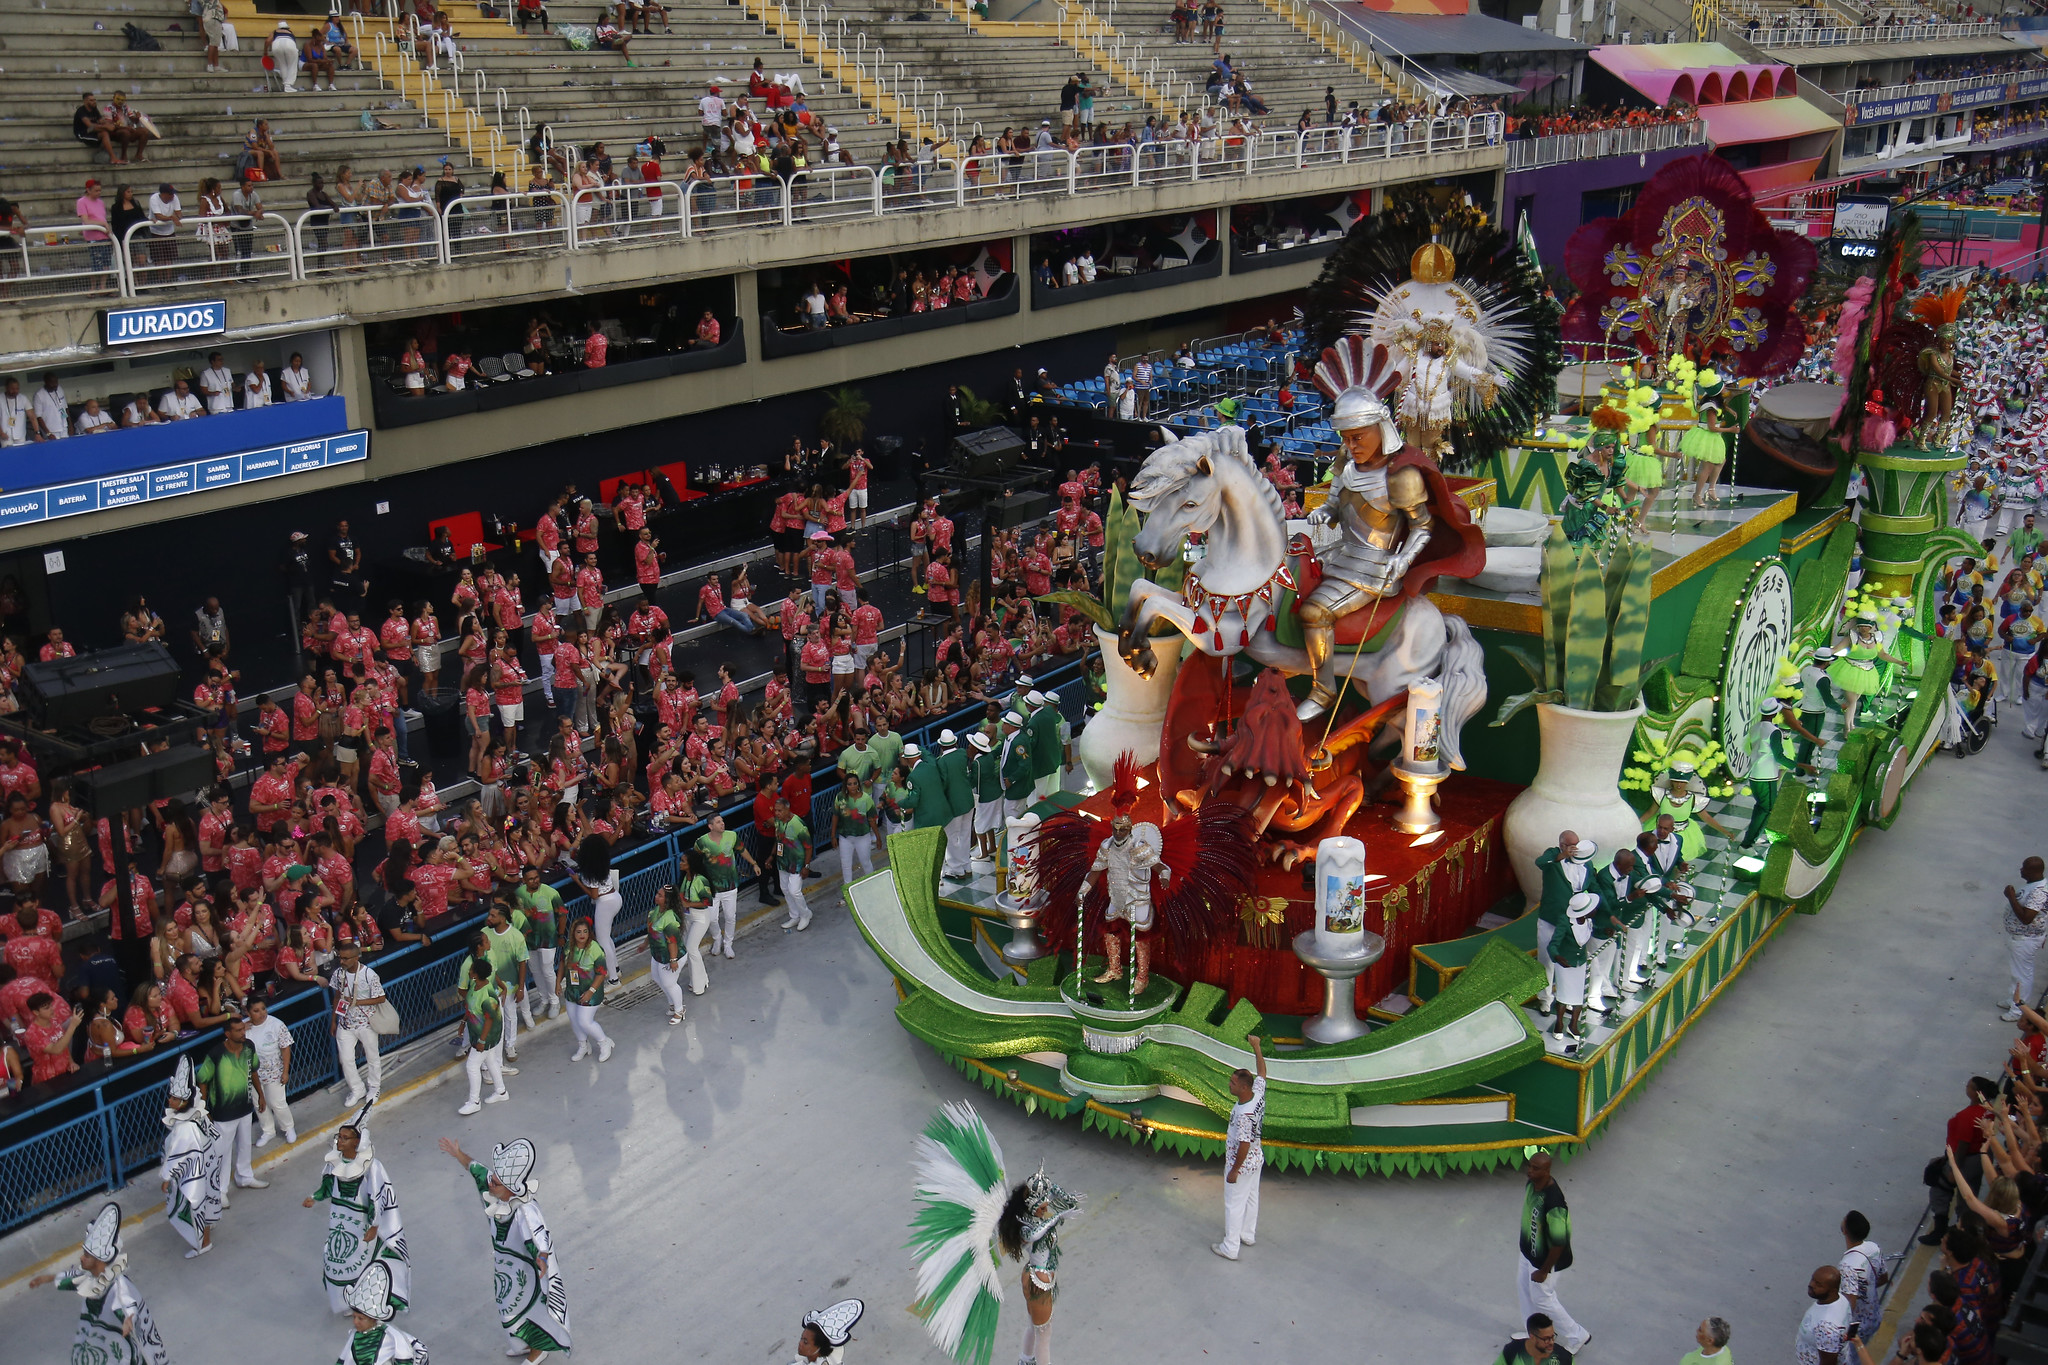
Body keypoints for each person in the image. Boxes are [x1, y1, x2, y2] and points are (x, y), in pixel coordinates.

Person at [438, 1136, 571, 1362]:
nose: (491, 1183)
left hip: (527, 1271)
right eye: (493, 1180)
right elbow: (477, 1170)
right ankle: (523, 1342)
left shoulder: (525, 1211)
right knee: (507, 1305)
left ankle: (539, 1349)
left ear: (511, 1188)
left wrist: (542, 1258)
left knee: (529, 1308)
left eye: (496, 1183)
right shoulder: (497, 1193)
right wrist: (458, 1153)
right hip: (505, 1266)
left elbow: (538, 1235)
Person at [27, 1203, 172, 1365]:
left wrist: (128, 1319)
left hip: (118, 1345)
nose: (82, 1258)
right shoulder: (88, 1277)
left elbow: (126, 1302)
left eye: (87, 1256)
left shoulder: (118, 1284)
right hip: (100, 1342)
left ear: (99, 1261)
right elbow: (70, 1279)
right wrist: (45, 1279)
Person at [303, 1111, 411, 1315]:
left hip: (361, 1223)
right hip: (339, 1219)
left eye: (345, 1138)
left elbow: (377, 1197)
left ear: (357, 1142)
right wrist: (314, 1197)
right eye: (339, 1137)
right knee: (337, 1260)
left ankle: (366, 1299)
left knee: (364, 1261)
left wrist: (374, 1225)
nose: (339, 1142)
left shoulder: (372, 1167)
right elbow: (327, 1186)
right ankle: (344, 1303)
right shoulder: (333, 1163)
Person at [998, 1166, 1081, 1365]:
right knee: (1044, 1333)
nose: (1046, 1210)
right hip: (1038, 1279)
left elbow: (1072, 1203)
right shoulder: (1027, 1227)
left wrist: (1052, 1188)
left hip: (1038, 1276)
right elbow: (1037, 1233)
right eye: (1042, 1207)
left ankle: (1025, 1360)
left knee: (1034, 1327)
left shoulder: (1033, 1217)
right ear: (1031, 1206)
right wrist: (1056, 1218)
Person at [1515, 1152, 1588, 1354]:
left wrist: (1544, 1270)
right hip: (1529, 1252)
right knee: (1523, 1290)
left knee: (1543, 1299)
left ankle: (1577, 1335)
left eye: (1535, 1168)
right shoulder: (1531, 1184)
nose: (1529, 1171)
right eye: (1529, 1166)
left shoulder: (1555, 1202)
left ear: (1547, 1171)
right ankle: (1532, 1333)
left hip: (1546, 1261)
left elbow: (1559, 1242)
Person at [160, 1056, 229, 1258]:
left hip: (195, 1172)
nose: (170, 1100)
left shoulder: (185, 1127)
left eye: (174, 1098)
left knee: (196, 1205)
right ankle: (207, 1231)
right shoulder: (198, 1114)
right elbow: (216, 1137)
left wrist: (167, 1178)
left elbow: (177, 1156)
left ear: (183, 1101)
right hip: (207, 1165)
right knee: (207, 1200)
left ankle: (203, 1243)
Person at [1212, 1034, 1265, 1260]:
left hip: (1242, 1163)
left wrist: (1234, 1170)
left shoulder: (1245, 1114)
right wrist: (1257, 1047)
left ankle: (1230, 1247)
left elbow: (1243, 1143)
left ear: (1243, 1087)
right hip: (1257, 1159)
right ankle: (1248, 1234)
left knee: (1233, 1204)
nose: (1229, 1084)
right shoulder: (1258, 1093)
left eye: (1233, 1083)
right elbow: (1262, 1073)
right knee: (1252, 1197)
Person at [458, 932, 511, 1115]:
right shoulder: (475, 988)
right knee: (491, 1061)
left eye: (471, 971)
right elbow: (471, 1007)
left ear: (476, 975)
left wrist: (481, 1040)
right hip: (479, 1032)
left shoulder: (487, 994)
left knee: (472, 1066)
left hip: (485, 1035)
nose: (469, 972)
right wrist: (464, 1021)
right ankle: (501, 1091)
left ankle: (474, 1101)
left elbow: (489, 1018)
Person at [329, 939, 386, 1105]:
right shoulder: (338, 974)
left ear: (356, 958)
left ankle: (374, 1088)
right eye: (340, 957)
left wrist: (356, 1002)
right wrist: (334, 1020)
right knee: (345, 1059)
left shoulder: (369, 975)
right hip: (345, 1023)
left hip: (366, 1023)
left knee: (372, 1057)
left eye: (346, 958)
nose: (342, 961)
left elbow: (380, 998)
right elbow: (337, 996)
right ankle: (357, 1089)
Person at [331, 1263, 425, 1365]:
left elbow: (404, 1357)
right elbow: (342, 1360)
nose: (355, 1322)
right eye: (354, 1317)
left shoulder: (390, 1336)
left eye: (361, 1318)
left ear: (373, 1319)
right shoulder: (355, 1336)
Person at [695, 812, 757, 960]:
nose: (722, 824)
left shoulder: (732, 836)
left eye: (722, 821)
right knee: (711, 918)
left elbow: (742, 850)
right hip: (711, 887)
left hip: (730, 885)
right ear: (710, 826)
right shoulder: (701, 842)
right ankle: (717, 939)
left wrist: (753, 863)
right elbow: (695, 861)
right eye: (718, 822)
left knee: (730, 917)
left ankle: (728, 944)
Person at [555, 917, 613, 1061]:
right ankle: (583, 1045)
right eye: (579, 932)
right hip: (572, 991)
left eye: (585, 931)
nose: (582, 935)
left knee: (585, 1021)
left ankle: (604, 1042)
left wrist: (590, 992)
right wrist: (558, 982)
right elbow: (563, 963)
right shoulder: (569, 946)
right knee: (574, 1020)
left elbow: (601, 973)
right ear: (573, 933)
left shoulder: (595, 949)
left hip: (591, 992)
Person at [571, 834, 623, 985]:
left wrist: (578, 882)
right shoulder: (601, 862)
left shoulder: (590, 870)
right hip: (615, 897)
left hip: (604, 903)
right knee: (607, 939)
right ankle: (616, 969)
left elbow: (594, 895)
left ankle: (613, 980)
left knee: (602, 942)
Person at [245, 996, 297, 1147]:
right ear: (248, 1012)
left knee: (277, 1102)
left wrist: (285, 1071)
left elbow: (285, 1048)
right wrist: (243, 1028)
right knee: (259, 1104)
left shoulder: (276, 1024)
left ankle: (288, 1128)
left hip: (275, 1071)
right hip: (253, 1074)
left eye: (263, 1009)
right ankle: (268, 1131)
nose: (261, 1013)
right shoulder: (244, 1028)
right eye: (256, 1011)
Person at [2001, 854, 2047, 1021]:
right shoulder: (2037, 885)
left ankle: (2019, 1010)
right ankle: (2013, 999)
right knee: (2017, 973)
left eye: (2024, 867)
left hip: (2025, 939)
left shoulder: (2038, 892)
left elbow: (2026, 918)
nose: (2021, 869)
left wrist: (2011, 897)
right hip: (2023, 937)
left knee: (2022, 975)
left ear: (2033, 871)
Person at [1838, 1210, 1885, 1344]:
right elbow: (1883, 1277)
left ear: (1845, 1230)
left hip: (1856, 1328)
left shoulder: (1847, 1266)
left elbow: (1849, 1306)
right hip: (1874, 1316)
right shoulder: (1874, 1248)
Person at [645, 882, 689, 1024]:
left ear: (668, 900)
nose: (656, 897)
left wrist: (673, 959)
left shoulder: (669, 918)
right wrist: (644, 944)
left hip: (672, 956)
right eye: (657, 894)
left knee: (670, 983)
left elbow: (672, 941)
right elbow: (651, 932)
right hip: (658, 955)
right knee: (658, 979)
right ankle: (672, 1004)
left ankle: (679, 1011)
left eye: (660, 895)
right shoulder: (654, 912)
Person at [773, 795, 814, 931]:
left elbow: (808, 846)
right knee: (785, 889)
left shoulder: (798, 824)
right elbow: (778, 840)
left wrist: (806, 866)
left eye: (780, 810)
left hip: (797, 864)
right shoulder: (778, 822)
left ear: (787, 809)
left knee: (795, 891)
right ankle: (794, 915)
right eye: (776, 810)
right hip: (783, 863)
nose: (777, 813)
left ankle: (805, 914)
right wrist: (771, 856)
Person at [1796, 1265, 1851, 1365]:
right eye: (1813, 1279)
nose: (1811, 1285)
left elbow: (1828, 1362)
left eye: (1819, 1285)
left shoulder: (1826, 1327)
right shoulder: (1841, 1299)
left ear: (1833, 1291)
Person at [1493, 1313, 1574, 1365]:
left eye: (1552, 1336)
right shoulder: (1513, 1351)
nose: (1551, 1342)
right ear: (1532, 1337)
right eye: (1546, 1339)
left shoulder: (1564, 1358)